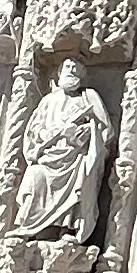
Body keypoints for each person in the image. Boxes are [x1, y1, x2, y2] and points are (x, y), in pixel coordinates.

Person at [14, 60, 113, 246]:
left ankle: (68, 228)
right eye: (68, 67)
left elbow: (105, 131)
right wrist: (56, 132)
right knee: (35, 177)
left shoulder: (88, 97)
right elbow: (34, 131)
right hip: (49, 156)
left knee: (81, 181)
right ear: (59, 73)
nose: (72, 70)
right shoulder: (48, 100)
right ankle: (28, 228)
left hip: (76, 158)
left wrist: (87, 133)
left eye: (77, 68)